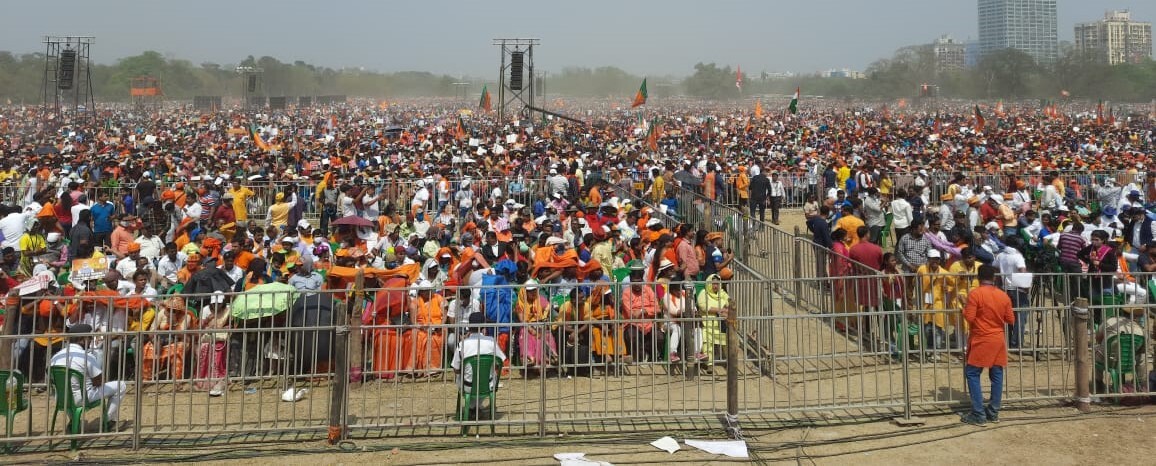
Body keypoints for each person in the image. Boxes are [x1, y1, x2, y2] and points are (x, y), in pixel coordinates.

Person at [960, 265, 1015, 426]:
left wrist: (964, 306)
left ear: (978, 277)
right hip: (998, 339)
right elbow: (1010, 320)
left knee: (972, 373)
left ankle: (978, 413)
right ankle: (993, 412)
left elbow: (969, 317)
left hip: (981, 338)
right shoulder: (1003, 296)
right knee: (997, 375)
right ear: (994, 278)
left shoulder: (975, 294)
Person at [49, 323, 129, 432]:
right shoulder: (87, 356)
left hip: (61, 399)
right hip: (84, 398)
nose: (91, 340)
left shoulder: (55, 357)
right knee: (121, 385)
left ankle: (73, 422)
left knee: (68, 391)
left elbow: (51, 381)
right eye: (90, 338)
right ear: (83, 339)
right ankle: (109, 421)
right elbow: (98, 382)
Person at [451, 312, 507, 417]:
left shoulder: (462, 344)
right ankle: (475, 407)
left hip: (467, 386)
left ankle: (472, 407)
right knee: (491, 374)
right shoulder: (491, 342)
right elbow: (500, 362)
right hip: (488, 385)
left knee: (460, 375)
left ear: (469, 326)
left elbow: (456, 369)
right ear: (483, 326)